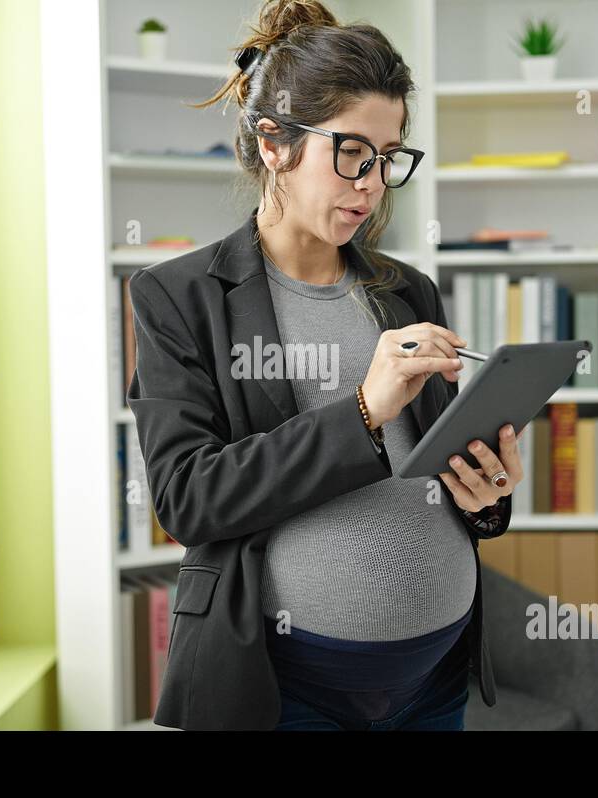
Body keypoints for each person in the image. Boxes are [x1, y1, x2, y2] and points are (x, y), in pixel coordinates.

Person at [125, 0, 523, 731]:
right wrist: (363, 411)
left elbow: (436, 463)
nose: (371, 183)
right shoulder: (178, 297)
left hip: (435, 679)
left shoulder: (406, 288)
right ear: (274, 142)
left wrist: (486, 494)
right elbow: (189, 498)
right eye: (351, 152)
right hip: (286, 688)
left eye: (387, 156)